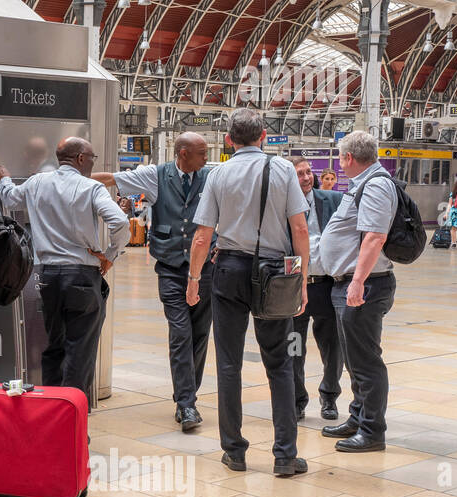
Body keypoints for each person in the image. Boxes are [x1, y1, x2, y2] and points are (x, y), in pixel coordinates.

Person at [187, 108, 310, 477]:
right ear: (264, 137)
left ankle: (235, 451)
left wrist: (194, 280)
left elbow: (202, 235)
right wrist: (303, 279)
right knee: (279, 363)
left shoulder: (218, 173)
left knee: (228, 362)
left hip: (228, 270)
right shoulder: (284, 169)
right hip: (273, 273)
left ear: (228, 140)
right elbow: (300, 228)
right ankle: (285, 456)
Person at [94, 132, 215, 432]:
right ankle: (186, 404)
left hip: (206, 269)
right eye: (201, 152)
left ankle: (188, 393)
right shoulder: (155, 175)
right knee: (180, 332)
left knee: (200, 334)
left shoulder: (211, 175)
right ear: (183, 153)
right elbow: (110, 179)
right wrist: (70, 178)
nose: (206, 156)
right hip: (172, 268)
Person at [0, 137, 127, 396]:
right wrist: (110, 254)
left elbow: (9, 199)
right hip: (82, 277)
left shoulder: (37, 182)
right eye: (92, 158)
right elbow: (120, 223)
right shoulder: (91, 188)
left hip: (48, 277)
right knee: (81, 350)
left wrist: (5, 178)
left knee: (55, 346)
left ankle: (52, 410)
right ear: (80, 159)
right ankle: (72, 417)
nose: (92, 163)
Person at [318, 131, 398, 452]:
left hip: (364, 284)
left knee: (366, 361)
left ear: (349, 158)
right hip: (350, 282)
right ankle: (357, 416)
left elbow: (375, 237)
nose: (339, 164)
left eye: (340, 158)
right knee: (354, 359)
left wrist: (357, 282)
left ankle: (372, 430)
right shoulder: (362, 183)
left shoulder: (376, 184)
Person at [287, 156, 345, 422]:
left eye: (309, 172)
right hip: (295, 288)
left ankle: (329, 395)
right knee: (294, 346)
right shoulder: (282, 205)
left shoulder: (331, 200)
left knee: (332, 346)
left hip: (325, 287)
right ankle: (297, 399)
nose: (307, 177)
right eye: (300, 174)